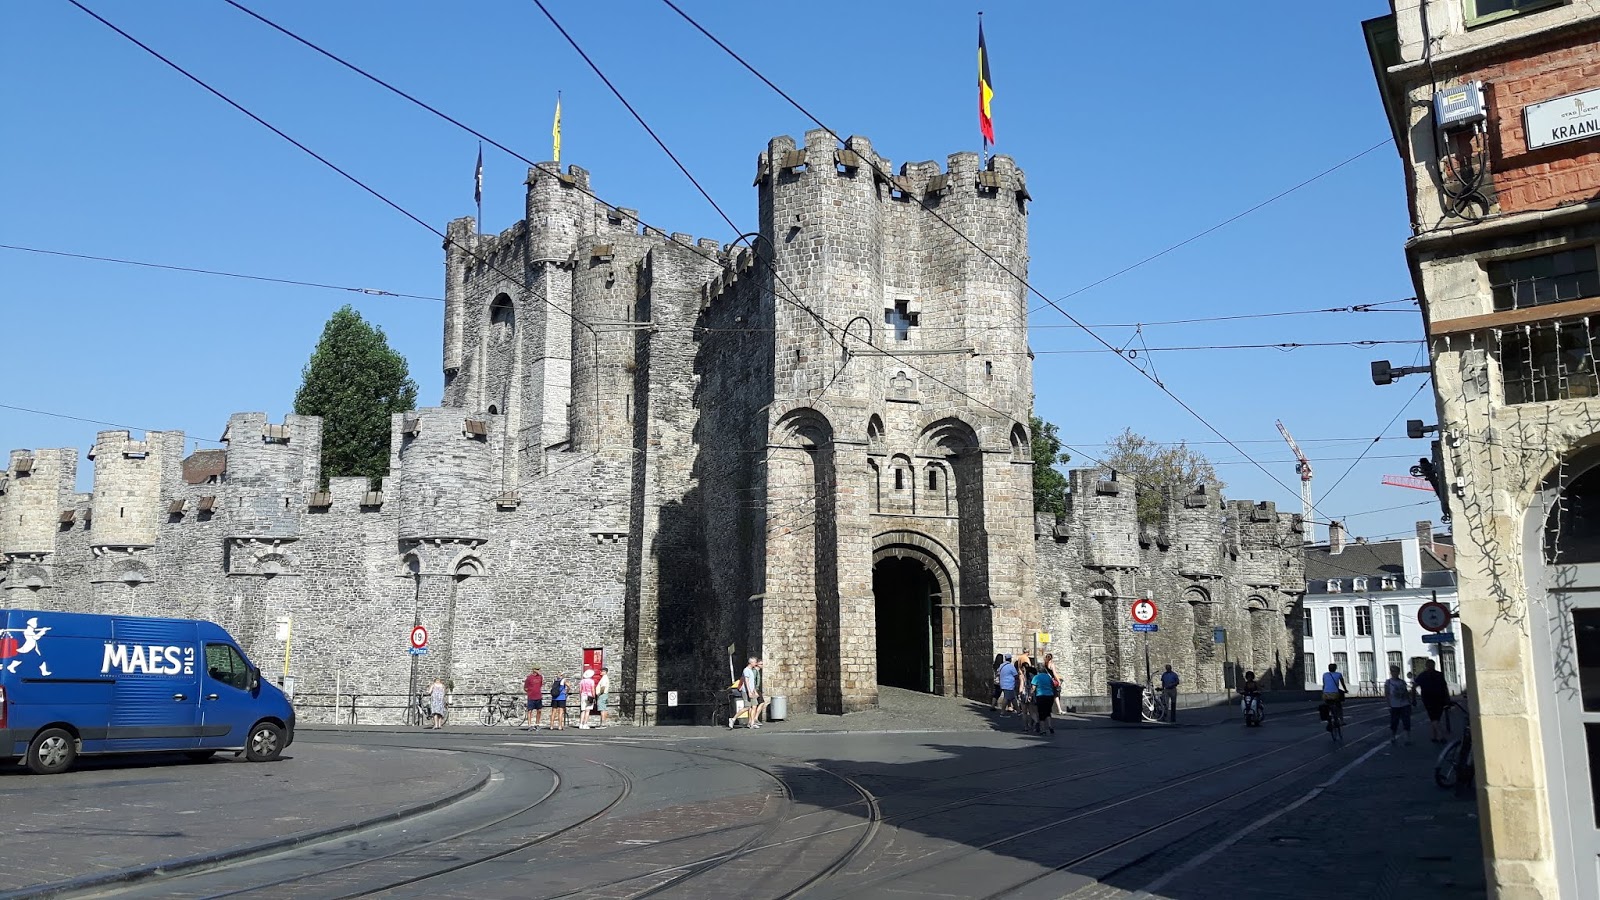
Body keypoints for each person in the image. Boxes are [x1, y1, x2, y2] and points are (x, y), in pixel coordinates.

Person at [1413, 659, 1451, 743]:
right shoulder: (1437, 675)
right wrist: (1447, 698)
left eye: (1431, 665)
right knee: (1435, 717)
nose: (1430, 667)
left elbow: (1414, 686)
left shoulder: (1423, 675)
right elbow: (1445, 688)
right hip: (1435, 699)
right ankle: (1440, 736)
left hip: (1431, 699)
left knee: (1434, 718)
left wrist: (1414, 699)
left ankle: (1434, 736)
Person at [1384, 664, 1412, 744]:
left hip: (1404, 704)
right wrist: (1388, 704)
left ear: (1398, 672)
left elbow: (1406, 692)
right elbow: (1387, 693)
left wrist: (1409, 702)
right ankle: (1393, 736)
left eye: (1396, 671)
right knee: (1394, 721)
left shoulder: (1402, 682)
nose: (1394, 673)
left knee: (1406, 720)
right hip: (1394, 705)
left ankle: (1407, 738)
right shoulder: (1388, 682)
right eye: (1392, 671)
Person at [1031, 664, 1057, 735]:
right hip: (1050, 696)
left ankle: (1043, 730)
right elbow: (1052, 685)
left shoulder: (1036, 677)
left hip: (1041, 696)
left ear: (1038, 670)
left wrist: (1030, 695)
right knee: (1048, 712)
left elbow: (1033, 688)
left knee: (1041, 714)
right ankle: (1050, 726)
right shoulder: (1048, 677)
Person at [1321, 662, 1348, 730]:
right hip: (1335, 694)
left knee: (1327, 706)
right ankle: (1341, 720)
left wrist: (1323, 691)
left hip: (1325, 694)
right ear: (1335, 669)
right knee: (1339, 706)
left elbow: (1324, 684)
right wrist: (1345, 690)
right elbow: (1342, 683)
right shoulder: (1338, 674)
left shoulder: (1325, 675)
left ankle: (1328, 719)